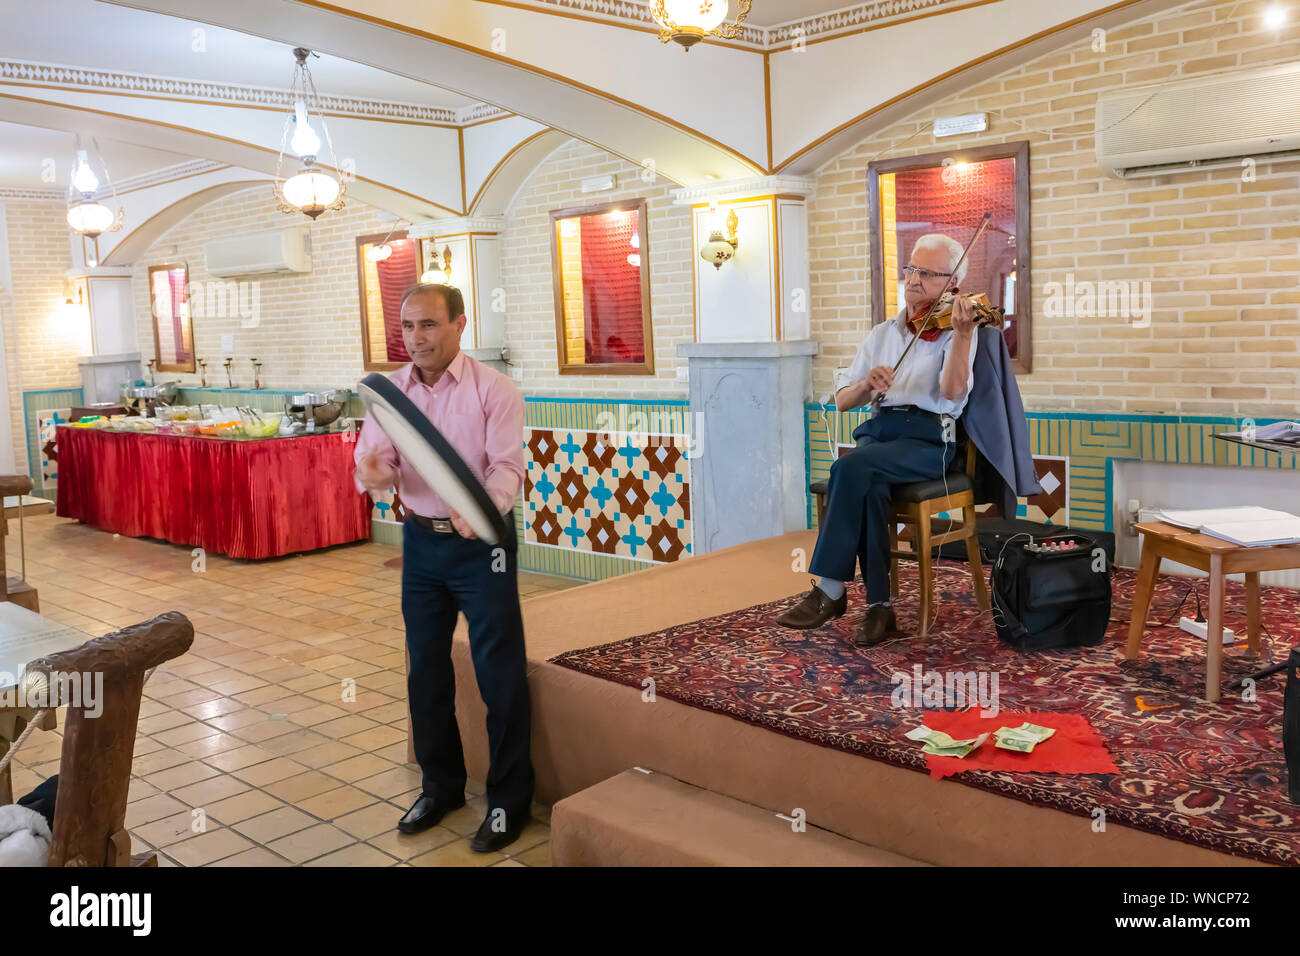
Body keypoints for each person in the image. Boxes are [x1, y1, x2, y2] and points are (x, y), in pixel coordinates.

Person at [353, 283, 533, 853]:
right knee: (425, 671)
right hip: (422, 545)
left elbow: (508, 470)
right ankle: (442, 788)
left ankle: (508, 802)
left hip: (484, 546)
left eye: (428, 325)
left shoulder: (495, 390)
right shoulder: (390, 395)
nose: (416, 338)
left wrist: (478, 510)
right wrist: (374, 472)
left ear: (459, 324)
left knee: (497, 673)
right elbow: (371, 463)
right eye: (407, 327)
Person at [776, 234, 979, 646]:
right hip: (880, 435)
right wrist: (868, 384)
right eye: (911, 268)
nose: (914, 279)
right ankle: (880, 609)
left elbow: (954, 392)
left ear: (953, 284)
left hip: (928, 441)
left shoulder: (957, 331)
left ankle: (830, 590)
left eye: (927, 272)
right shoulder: (882, 333)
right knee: (867, 487)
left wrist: (961, 336)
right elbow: (842, 402)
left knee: (848, 468)